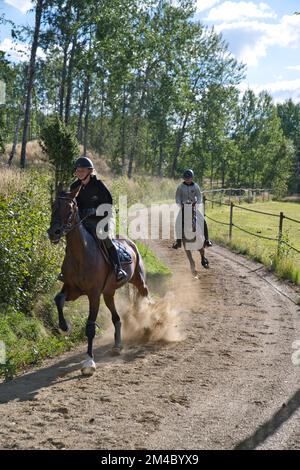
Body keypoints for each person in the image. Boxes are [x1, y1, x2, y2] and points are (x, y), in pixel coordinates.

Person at [58, 156, 127, 282]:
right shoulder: (74, 186)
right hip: (85, 218)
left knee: (104, 236)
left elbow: (108, 205)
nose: (79, 173)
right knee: (72, 237)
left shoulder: (99, 185)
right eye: (78, 170)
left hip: (104, 217)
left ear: (90, 171)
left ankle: (118, 269)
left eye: (82, 171)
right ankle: (66, 270)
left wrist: (95, 211)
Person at [172, 169, 212, 249]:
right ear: (184, 178)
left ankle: (207, 240)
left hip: (193, 207)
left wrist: (197, 205)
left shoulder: (196, 186)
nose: (188, 179)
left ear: (192, 178)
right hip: (184, 207)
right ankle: (178, 241)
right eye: (186, 178)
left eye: (189, 178)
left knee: (203, 221)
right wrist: (180, 204)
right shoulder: (180, 187)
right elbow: (177, 197)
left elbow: (199, 196)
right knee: (178, 222)